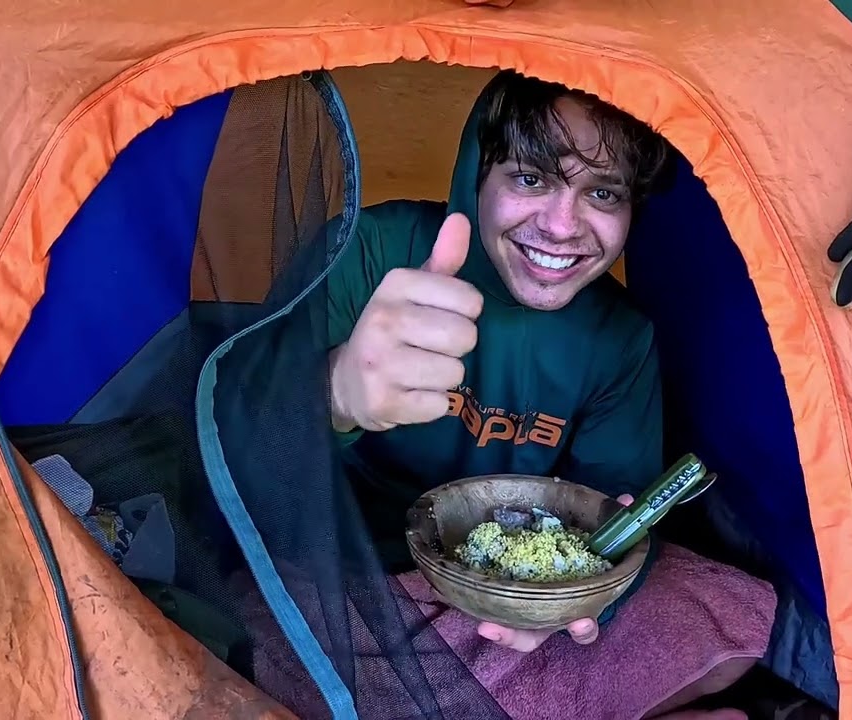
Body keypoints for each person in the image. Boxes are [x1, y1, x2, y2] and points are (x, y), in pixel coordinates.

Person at [316, 70, 776, 720]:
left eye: (603, 192)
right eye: (531, 178)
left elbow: (616, 522)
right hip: (354, 569)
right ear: (477, 174)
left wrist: (577, 602)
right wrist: (333, 392)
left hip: (511, 582)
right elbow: (235, 433)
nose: (563, 226)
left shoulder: (620, 337)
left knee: (731, 617)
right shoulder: (372, 251)